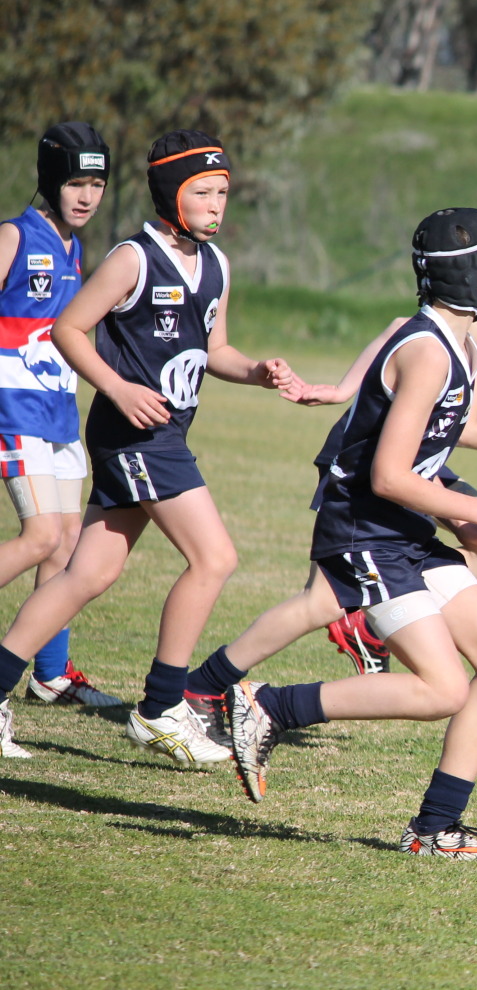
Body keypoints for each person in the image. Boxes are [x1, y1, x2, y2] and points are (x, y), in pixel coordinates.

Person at [199, 208, 477, 865]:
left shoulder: (461, 344)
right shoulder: (427, 352)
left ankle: (437, 828)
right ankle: (267, 706)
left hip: (403, 530)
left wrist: (466, 523)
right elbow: (388, 475)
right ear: (470, 276)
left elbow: (424, 459)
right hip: (368, 530)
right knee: (443, 689)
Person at [0, 129, 298, 763]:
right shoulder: (134, 258)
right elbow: (68, 328)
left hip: (165, 433)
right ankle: (162, 708)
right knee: (214, 557)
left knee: (90, 572)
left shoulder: (216, 265)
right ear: (172, 194)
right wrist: (118, 387)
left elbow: (215, 350)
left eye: (223, 193)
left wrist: (256, 371)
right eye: (205, 193)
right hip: (136, 434)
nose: (219, 205)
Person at [289, 227, 477, 676]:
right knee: (323, 602)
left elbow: (400, 328)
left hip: (412, 458)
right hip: (375, 457)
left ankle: (371, 616)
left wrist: (344, 389)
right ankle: (368, 620)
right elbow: (462, 423)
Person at [0, 123, 121, 752]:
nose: (87, 195)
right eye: (76, 182)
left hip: (59, 415)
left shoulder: (72, 248)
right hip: (13, 411)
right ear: (51, 180)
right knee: (42, 535)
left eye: (96, 184)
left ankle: (48, 675)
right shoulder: (15, 235)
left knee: (66, 545)